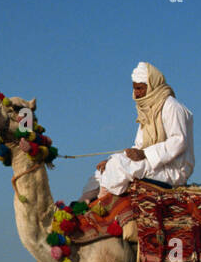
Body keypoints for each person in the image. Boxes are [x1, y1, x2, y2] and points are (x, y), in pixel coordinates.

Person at [81, 62, 194, 201]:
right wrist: (110, 160)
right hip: (154, 163)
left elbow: (178, 142)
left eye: (140, 88)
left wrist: (145, 153)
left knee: (118, 165)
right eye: (135, 88)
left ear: (152, 85)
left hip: (173, 169)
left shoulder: (172, 107)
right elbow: (138, 147)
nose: (136, 93)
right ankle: (83, 204)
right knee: (103, 170)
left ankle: (101, 203)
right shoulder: (148, 111)